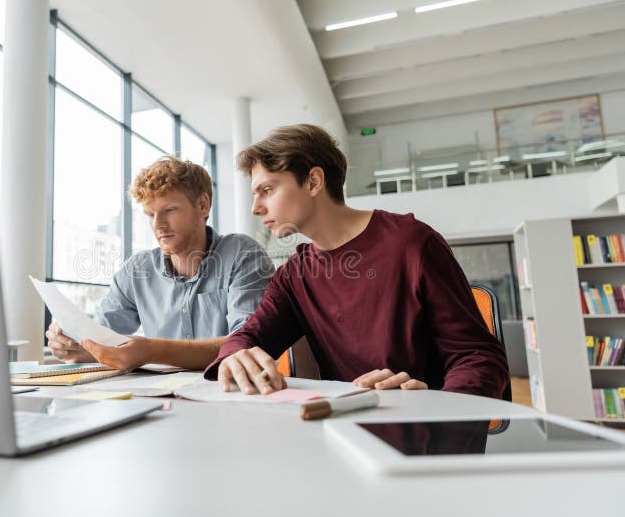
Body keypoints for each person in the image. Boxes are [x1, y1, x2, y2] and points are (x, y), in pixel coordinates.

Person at [203, 124, 510, 398]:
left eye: (267, 190)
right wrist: (235, 354)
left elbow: (478, 357)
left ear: (313, 181)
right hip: (350, 433)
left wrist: (437, 405)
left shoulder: (413, 243)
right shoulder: (294, 275)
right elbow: (247, 337)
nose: (255, 208)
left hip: (425, 434)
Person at [46, 156, 274, 370]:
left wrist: (152, 350)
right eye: (150, 214)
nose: (158, 225)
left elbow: (247, 343)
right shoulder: (137, 270)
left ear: (203, 205)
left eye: (170, 210)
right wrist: (72, 344)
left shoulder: (242, 255)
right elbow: (100, 340)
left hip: (228, 394)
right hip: (159, 398)